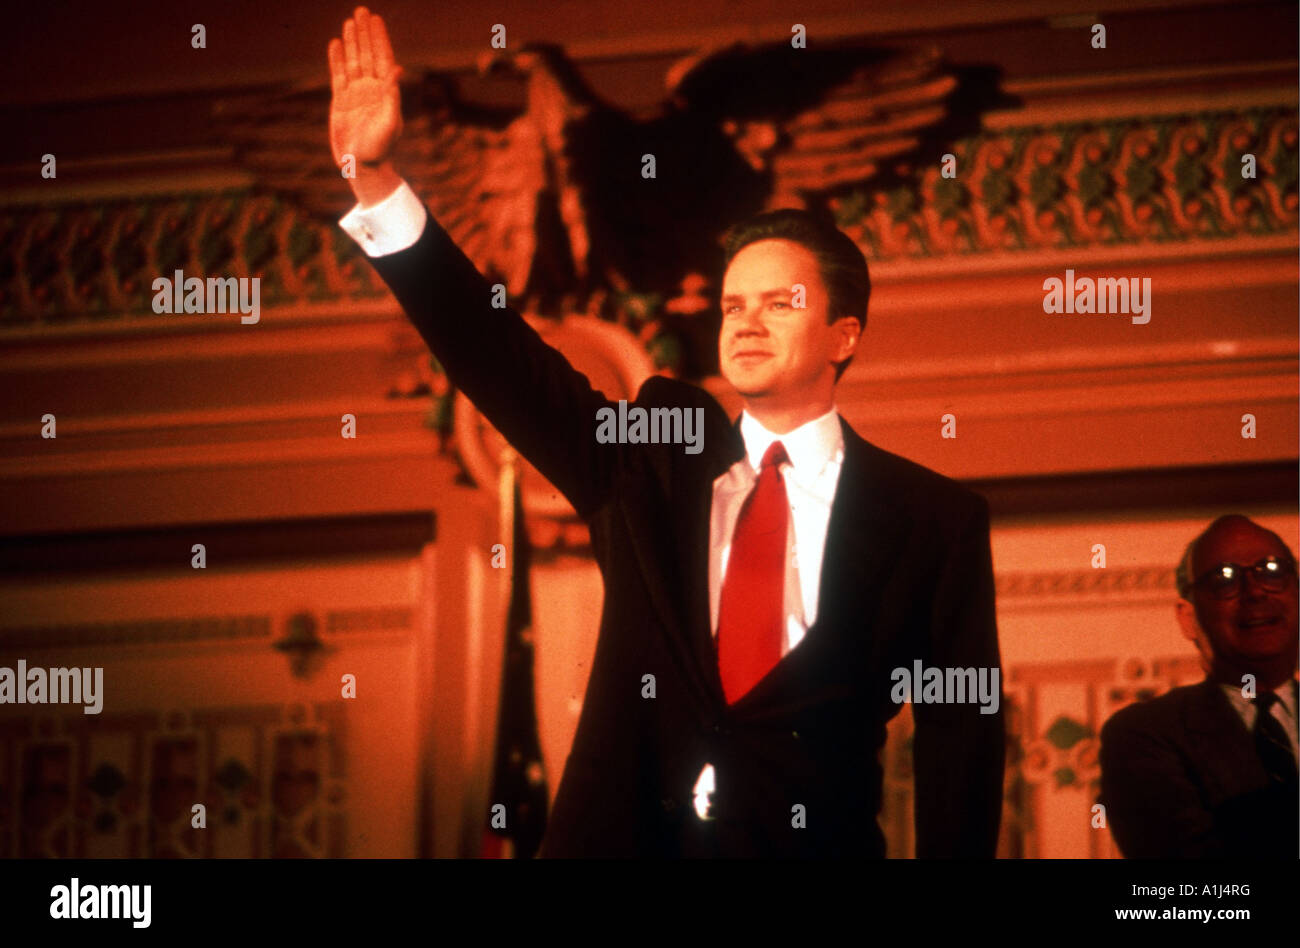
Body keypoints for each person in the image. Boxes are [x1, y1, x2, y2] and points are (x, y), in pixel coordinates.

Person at [327, 6, 1004, 857]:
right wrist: (377, 182)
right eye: (732, 304)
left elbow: (962, 750)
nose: (745, 323)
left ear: (846, 334)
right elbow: (496, 355)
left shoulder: (933, 521)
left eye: (779, 303)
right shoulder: (656, 456)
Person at [1099, 515, 1300, 858]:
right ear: (1188, 617)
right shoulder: (1146, 733)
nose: (1255, 591)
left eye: (1271, 570)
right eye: (1225, 579)